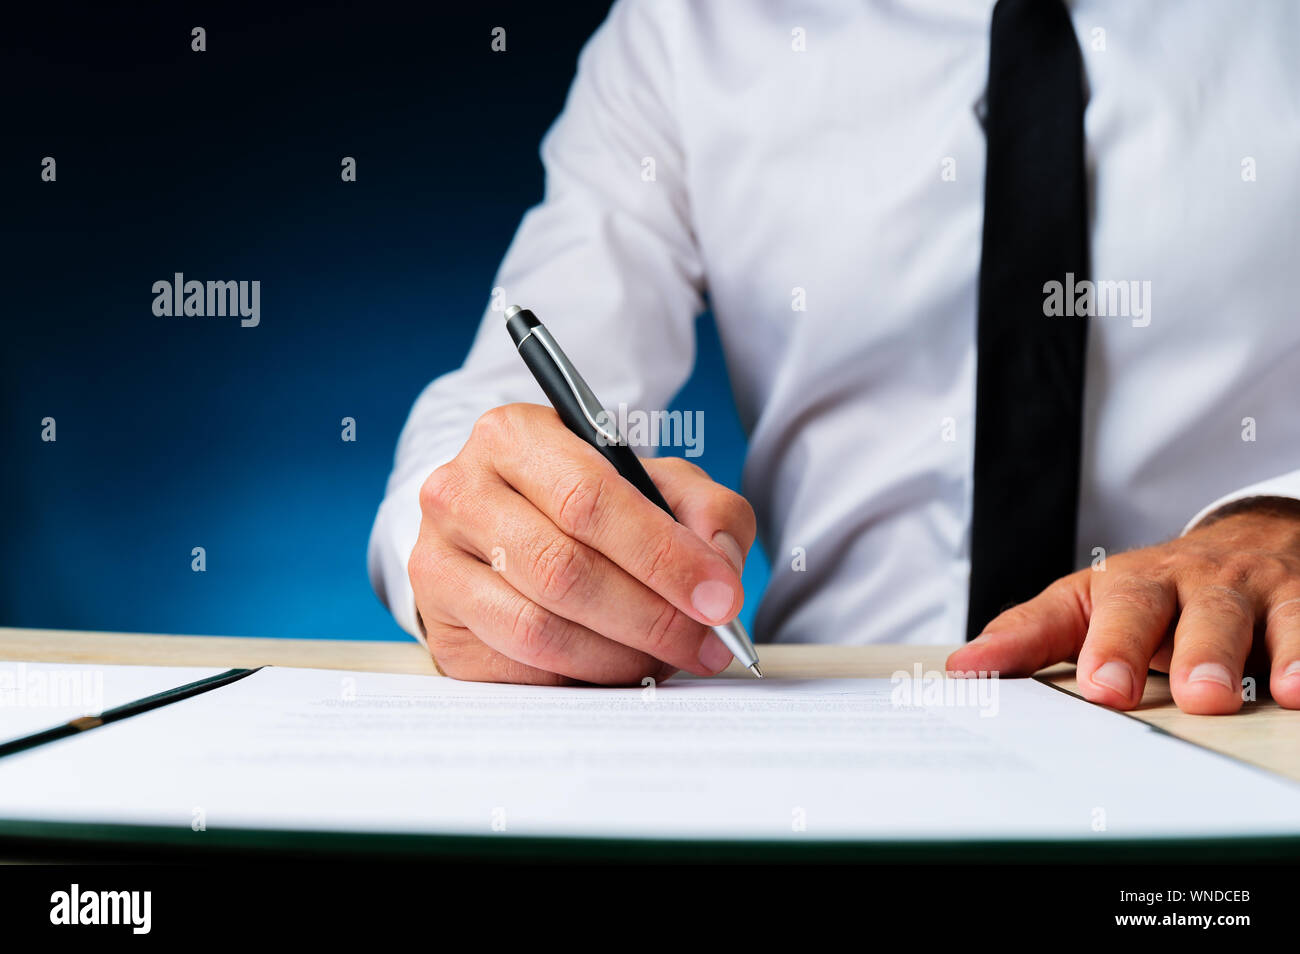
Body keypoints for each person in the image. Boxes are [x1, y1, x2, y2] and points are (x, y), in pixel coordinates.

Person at [368, 0, 1300, 715]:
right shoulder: (693, 29)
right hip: (824, 741)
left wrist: (1283, 519)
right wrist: (487, 535)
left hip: (1226, 703)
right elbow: (499, 408)